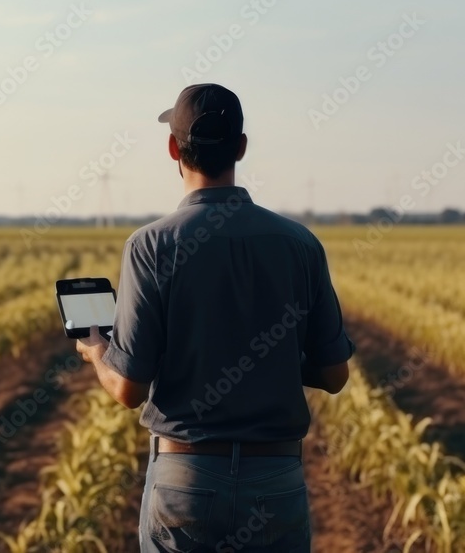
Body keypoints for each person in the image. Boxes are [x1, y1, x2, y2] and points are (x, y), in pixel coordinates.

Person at [75, 83, 355, 552]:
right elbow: (335, 374)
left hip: (185, 479)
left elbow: (129, 389)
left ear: (172, 149)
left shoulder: (150, 246)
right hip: (276, 479)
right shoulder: (300, 243)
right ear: (241, 147)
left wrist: (98, 352)